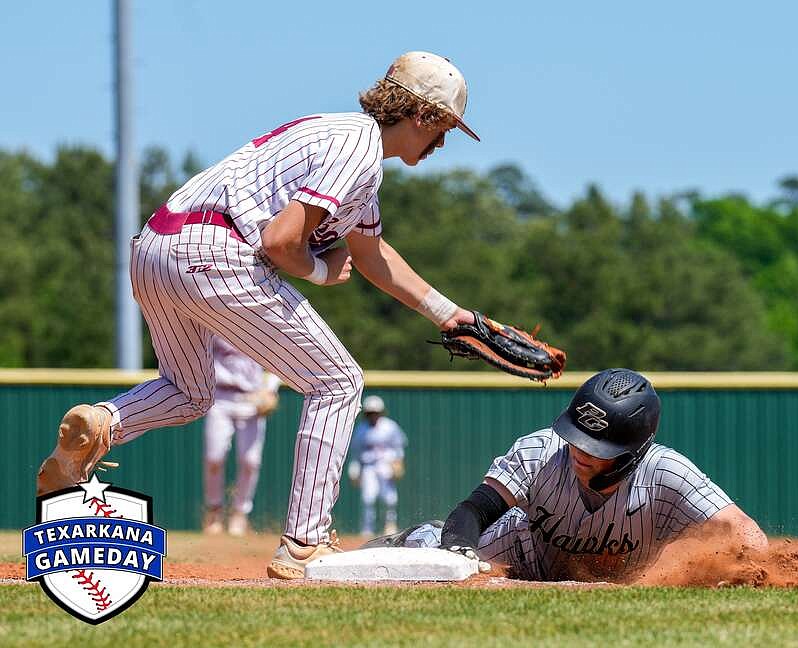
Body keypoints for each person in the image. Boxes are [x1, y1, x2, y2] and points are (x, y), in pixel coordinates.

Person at [35, 50, 481, 580]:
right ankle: (304, 545)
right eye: (446, 126)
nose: (444, 142)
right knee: (337, 383)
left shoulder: (342, 140)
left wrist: (451, 315)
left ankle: (101, 423)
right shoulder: (359, 149)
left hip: (155, 247)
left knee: (189, 391)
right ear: (423, 115)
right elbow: (279, 241)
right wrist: (317, 271)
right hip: (217, 253)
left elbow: (372, 257)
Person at [367, 368, 767, 583]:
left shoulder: (666, 473)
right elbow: (475, 509)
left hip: (598, 575)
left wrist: (745, 570)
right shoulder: (542, 451)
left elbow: (746, 533)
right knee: (433, 553)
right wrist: (458, 550)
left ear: (634, 451)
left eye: (597, 449)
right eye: (577, 438)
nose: (579, 452)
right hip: (512, 554)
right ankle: (411, 536)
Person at [202, 335, 280, 537]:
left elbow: (279, 355)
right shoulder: (212, 317)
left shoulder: (258, 319)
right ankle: (214, 511)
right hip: (219, 395)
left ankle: (240, 513)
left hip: (252, 398)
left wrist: (270, 389)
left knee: (250, 461)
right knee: (214, 458)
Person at [348, 395, 407, 537]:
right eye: (370, 413)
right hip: (369, 466)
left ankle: (390, 527)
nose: (373, 415)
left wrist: (398, 462)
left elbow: (399, 447)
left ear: (381, 412)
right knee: (368, 498)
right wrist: (355, 469)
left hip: (386, 465)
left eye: (376, 412)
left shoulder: (389, 426)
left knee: (390, 498)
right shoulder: (361, 429)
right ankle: (367, 530)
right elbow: (356, 452)